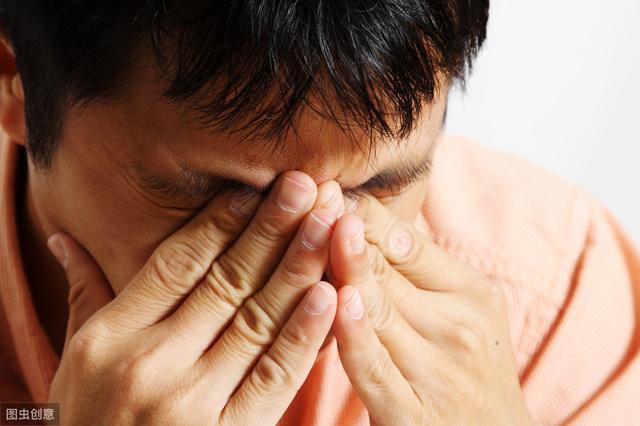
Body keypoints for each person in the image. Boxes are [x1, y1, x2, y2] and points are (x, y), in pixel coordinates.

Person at [0, 1, 638, 424]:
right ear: (16, 85)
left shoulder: (554, 305)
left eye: (383, 184)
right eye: (229, 196)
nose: (321, 265)